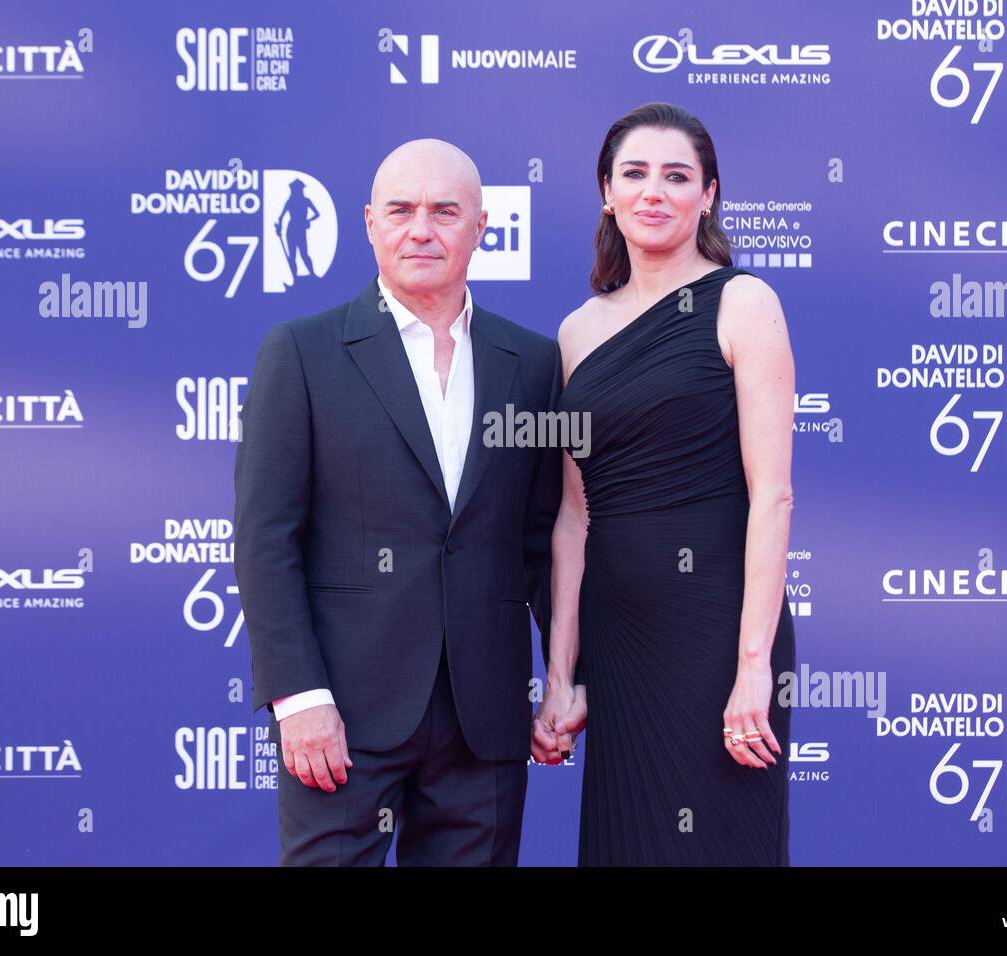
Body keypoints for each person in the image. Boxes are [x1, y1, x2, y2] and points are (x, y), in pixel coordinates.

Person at [235, 138, 563, 866]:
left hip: (485, 721)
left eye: (446, 210)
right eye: (402, 210)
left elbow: (541, 542)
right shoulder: (302, 352)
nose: (423, 228)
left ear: (482, 227)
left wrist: (566, 676)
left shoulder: (533, 364)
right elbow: (266, 540)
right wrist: (298, 697)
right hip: (343, 717)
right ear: (370, 224)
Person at [531, 102, 798, 865]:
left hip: (719, 634)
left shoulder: (745, 303)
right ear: (606, 194)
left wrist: (754, 669)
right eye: (634, 174)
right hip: (620, 639)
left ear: (708, 194)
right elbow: (573, 518)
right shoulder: (578, 331)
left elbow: (771, 496)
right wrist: (561, 677)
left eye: (676, 175)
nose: (654, 191)